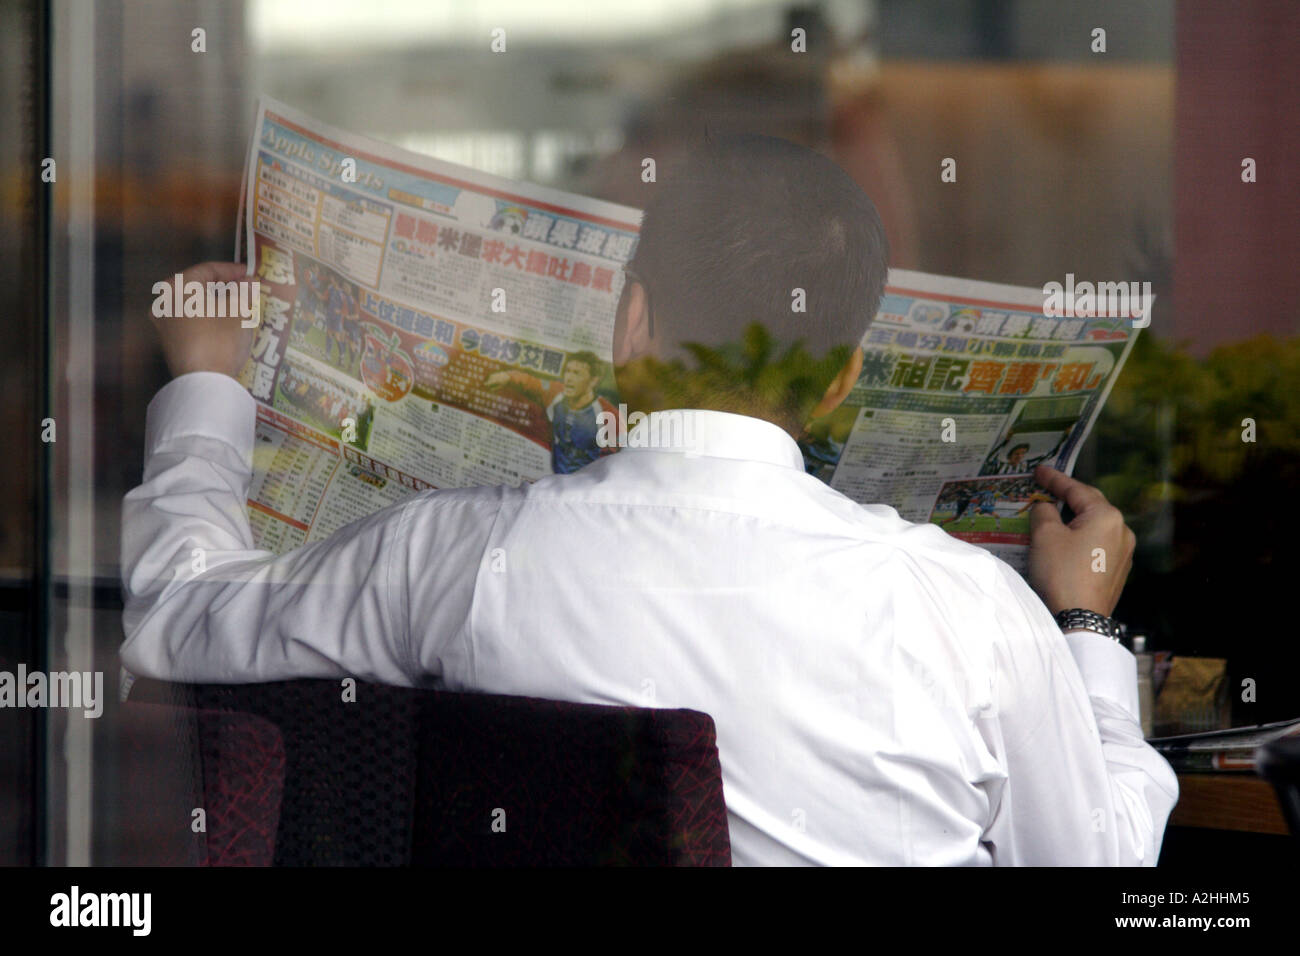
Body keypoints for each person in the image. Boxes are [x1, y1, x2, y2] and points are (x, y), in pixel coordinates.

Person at [121, 135, 1176, 866]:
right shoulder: (963, 611)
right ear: (846, 378)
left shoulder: (461, 558)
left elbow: (175, 619)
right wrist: (1081, 622)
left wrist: (208, 376)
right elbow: (1102, 861)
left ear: (630, 327)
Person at [483, 352, 619, 474]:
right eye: (568, 371)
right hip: (554, 477)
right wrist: (507, 376)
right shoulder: (557, 394)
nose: (569, 378)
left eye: (576, 373)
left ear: (593, 381)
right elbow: (532, 383)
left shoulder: (608, 415)